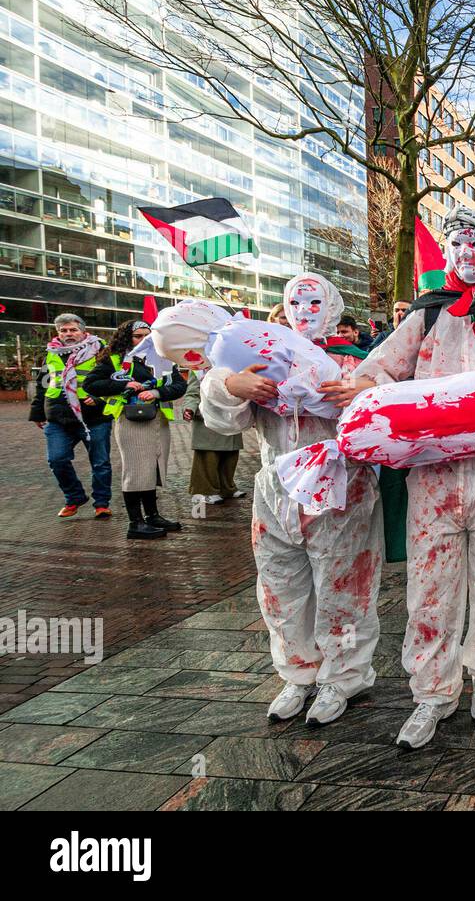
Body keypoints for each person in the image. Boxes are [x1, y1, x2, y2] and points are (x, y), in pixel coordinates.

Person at [325, 205, 475, 749]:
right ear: (448, 253)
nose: (469, 254)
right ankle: (432, 693)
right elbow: (381, 367)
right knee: (430, 589)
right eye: (459, 246)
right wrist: (362, 385)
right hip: (435, 483)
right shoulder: (426, 316)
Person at [202, 272, 382, 726]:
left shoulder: (353, 363)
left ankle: (344, 677)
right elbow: (225, 421)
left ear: (333, 309)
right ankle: (298, 673)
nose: (304, 312)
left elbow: (383, 417)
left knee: (344, 588)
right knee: (280, 588)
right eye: (294, 303)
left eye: (314, 302)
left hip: (340, 490)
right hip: (276, 489)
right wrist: (228, 385)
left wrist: (359, 395)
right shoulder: (259, 360)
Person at [84, 320, 187, 540]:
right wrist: (125, 385)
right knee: (135, 472)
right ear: (126, 338)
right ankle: (135, 523)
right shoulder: (115, 360)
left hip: (158, 421)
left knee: (152, 469)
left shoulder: (163, 358)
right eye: (137, 336)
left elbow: (179, 386)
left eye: (146, 336)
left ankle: (152, 516)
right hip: (131, 421)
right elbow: (90, 384)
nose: (143, 340)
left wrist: (157, 393)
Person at [30, 313, 113, 518]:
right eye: (63, 330)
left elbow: (115, 380)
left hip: (93, 417)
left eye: (73, 330)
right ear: (58, 333)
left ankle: (101, 503)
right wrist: (38, 413)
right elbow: (43, 384)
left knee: (100, 463)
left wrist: (100, 399)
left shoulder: (101, 351)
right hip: (58, 416)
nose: (68, 334)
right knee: (57, 459)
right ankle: (74, 497)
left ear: (84, 331)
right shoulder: (52, 352)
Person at [179, 372, 245, 506]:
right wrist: (189, 408)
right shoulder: (199, 369)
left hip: (230, 416)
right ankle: (203, 492)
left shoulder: (233, 366)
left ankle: (227, 488)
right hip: (208, 417)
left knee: (230, 455)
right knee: (208, 456)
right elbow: (193, 393)